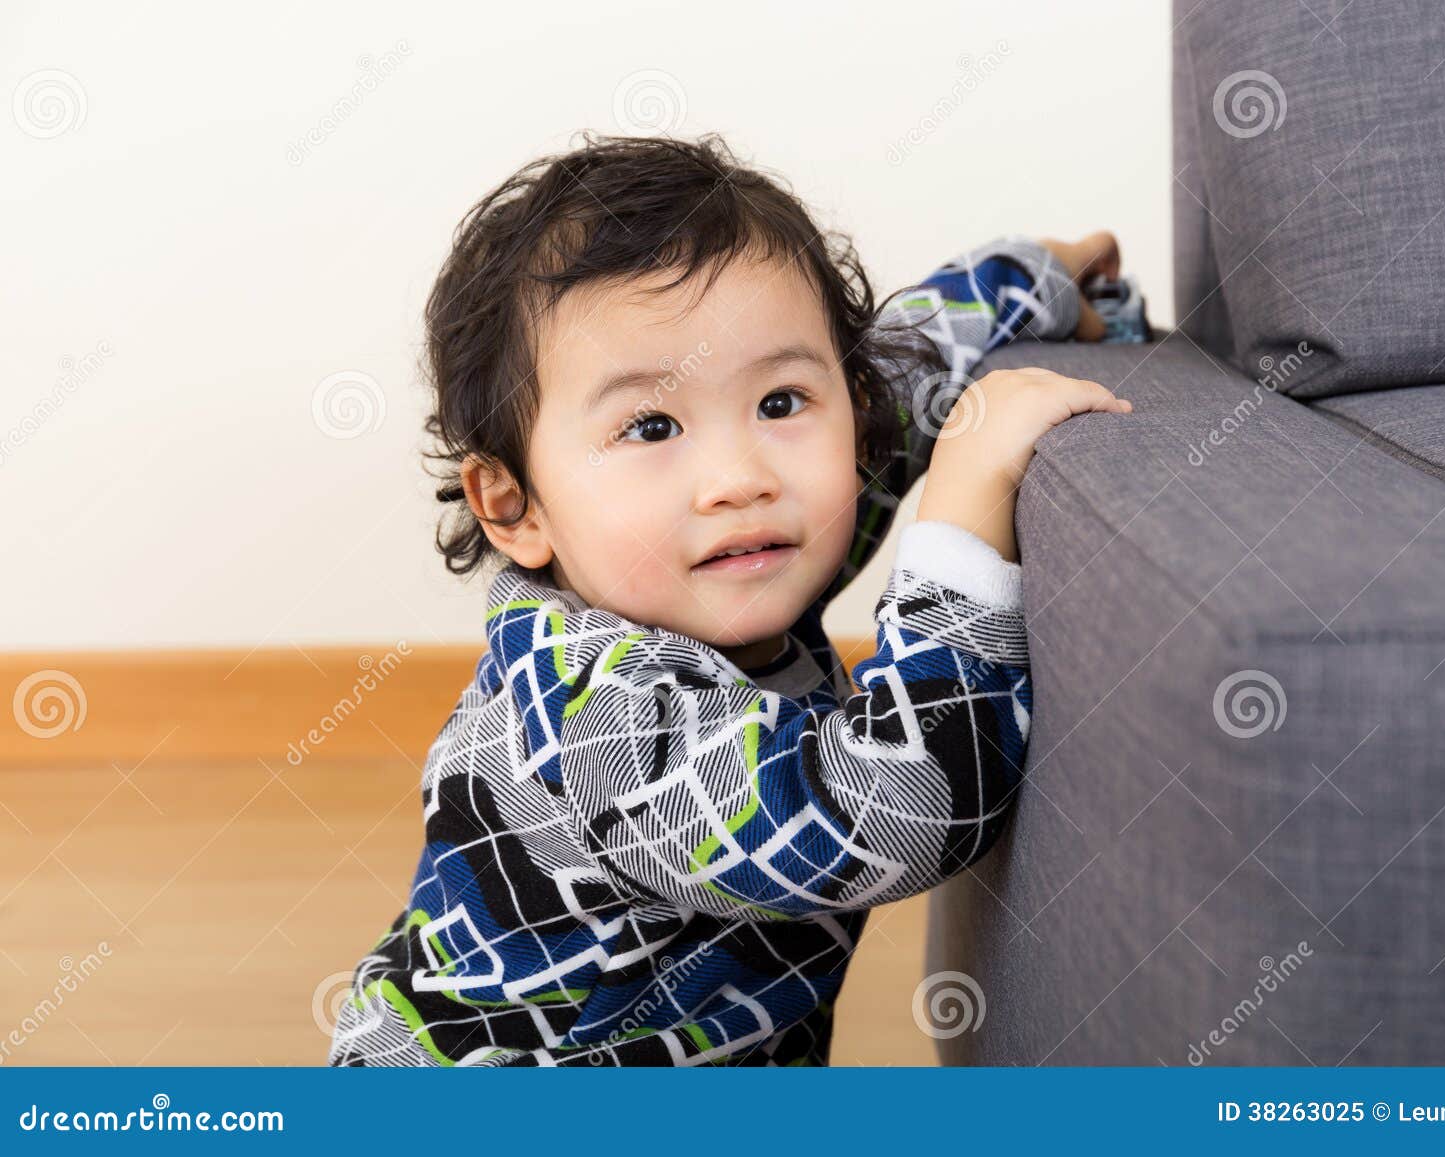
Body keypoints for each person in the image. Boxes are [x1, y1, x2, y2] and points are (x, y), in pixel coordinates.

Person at [327, 132, 1132, 1067]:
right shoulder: (600, 721)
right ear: (516, 507)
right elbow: (908, 807)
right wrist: (961, 516)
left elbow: (909, 360)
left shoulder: (720, 561)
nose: (739, 476)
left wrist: (1041, 275)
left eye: (781, 403)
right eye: (652, 425)